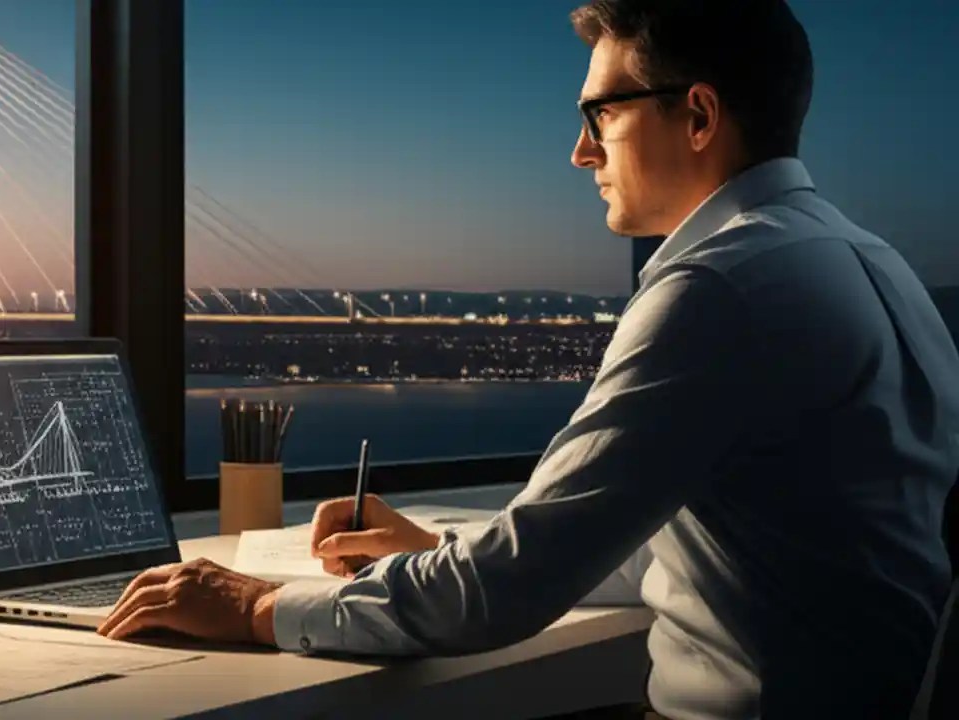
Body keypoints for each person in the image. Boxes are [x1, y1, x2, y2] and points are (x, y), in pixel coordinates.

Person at [97, 1, 959, 717]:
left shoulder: (719, 288)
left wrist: (258, 607)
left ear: (697, 116)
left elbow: (508, 594)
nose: (580, 151)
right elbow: (676, 543)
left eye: (601, 114)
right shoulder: (869, 263)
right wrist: (444, 545)